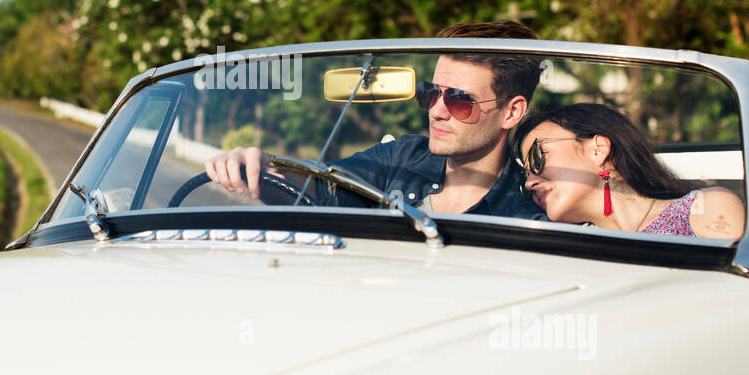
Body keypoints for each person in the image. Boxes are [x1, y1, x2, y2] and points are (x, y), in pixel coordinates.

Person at [203, 20, 545, 219]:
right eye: (430, 92)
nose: (436, 110)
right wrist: (261, 167)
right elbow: (322, 187)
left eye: (459, 100)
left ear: (511, 111)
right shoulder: (405, 156)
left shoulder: (528, 209)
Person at [512, 102, 745, 238]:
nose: (529, 182)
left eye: (537, 157)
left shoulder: (704, 208)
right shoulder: (569, 251)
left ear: (598, 149)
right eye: (526, 172)